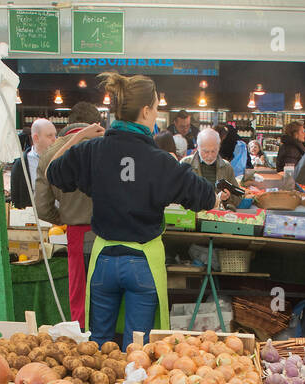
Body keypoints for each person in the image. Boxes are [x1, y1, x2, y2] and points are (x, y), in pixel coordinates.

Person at [47, 72, 221, 347]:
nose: (156, 113)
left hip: (103, 260)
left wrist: (78, 136)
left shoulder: (93, 150)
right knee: (136, 349)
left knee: (99, 346)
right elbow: (206, 198)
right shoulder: (161, 161)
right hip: (143, 263)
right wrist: (216, 199)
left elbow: (52, 171)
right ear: (145, 111)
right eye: (155, 107)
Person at [35, 102, 102, 330]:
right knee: (109, 299)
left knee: (80, 302)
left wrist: (63, 217)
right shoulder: (107, 147)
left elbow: (42, 208)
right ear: (97, 124)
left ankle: (84, 346)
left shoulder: (50, 155)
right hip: (115, 233)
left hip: (77, 235)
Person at [184, 128, 241, 210]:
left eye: (213, 151)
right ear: (198, 148)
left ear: (219, 148)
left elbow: (238, 197)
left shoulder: (226, 167)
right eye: (206, 152)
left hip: (216, 218)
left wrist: (227, 198)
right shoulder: (186, 164)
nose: (210, 156)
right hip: (191, 218)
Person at [9, 118, 57, 210]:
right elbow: (16, 200)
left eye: (55, 135)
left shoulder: (61, 160)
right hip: (33, 221)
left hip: (61, 221)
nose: (54, 140)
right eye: (49, 136)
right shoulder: (21, 165)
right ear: (36, 138)